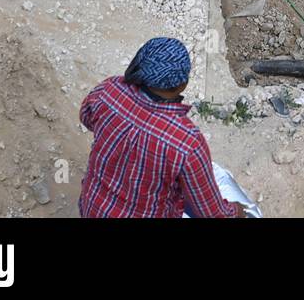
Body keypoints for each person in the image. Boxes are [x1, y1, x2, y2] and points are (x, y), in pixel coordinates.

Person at [79, 37, 245, 218]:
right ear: (182, 84)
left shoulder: (108, 90)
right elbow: (213, 215)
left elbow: (86, 118)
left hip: (92, 208)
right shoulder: (187, 142)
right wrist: (238, 211)